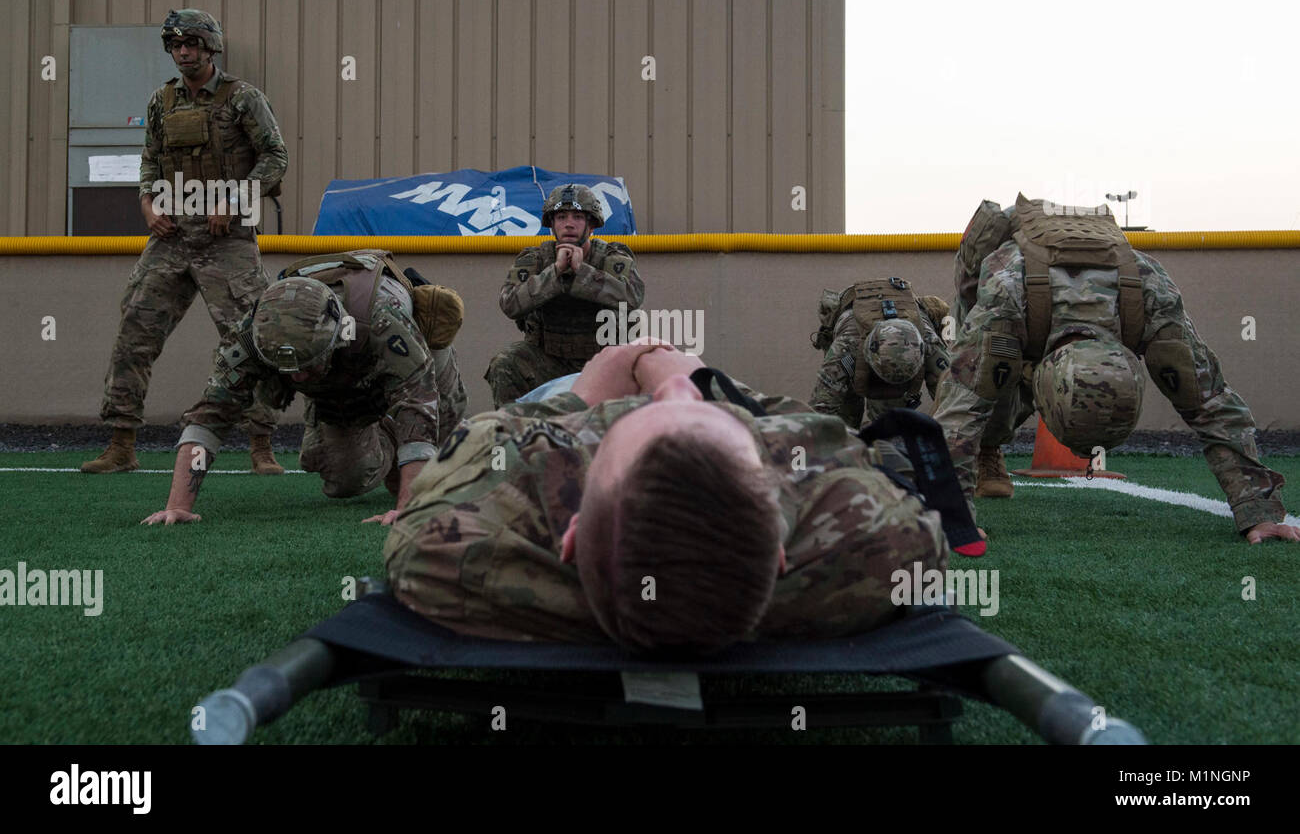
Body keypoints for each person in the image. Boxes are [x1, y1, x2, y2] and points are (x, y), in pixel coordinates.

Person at [385, 342, 949, 652]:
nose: (672, 392)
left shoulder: (437, 554)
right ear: (779, 550)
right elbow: (830, 439)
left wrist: (584, 399)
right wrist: (714, 390)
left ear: (573, 536)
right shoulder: (888, 550)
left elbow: (468, 456)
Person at [931, 194, 1295, 544]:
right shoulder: (1006, 292)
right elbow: (960, 408)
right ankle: (990, 448)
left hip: (1095, 264)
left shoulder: (1152, 294)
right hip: (1003, 248)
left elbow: (1211, 401)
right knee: (992, 376)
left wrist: (1260, 511)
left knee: (994, 370)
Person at [82, 9, 288, 476]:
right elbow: (150, 159)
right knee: (135, 331)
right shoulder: (162, 100)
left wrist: (234, 201)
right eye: (175, 45)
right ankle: (121, 444)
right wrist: (148, 207)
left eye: (191, 43)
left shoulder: (243, 98)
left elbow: (276, 156)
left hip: (227, 239)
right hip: (172, 236)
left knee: (253, 338)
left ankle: (261, 445)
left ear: (210, 46)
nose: (183, 52)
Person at [140, 250, 468, 527]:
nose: (297, 379)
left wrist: (409, 507)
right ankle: (381, 439)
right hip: (343, 381)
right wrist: (178, 505)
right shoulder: (253, 336)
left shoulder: (383, 320)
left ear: (338, 336)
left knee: (443, 416)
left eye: (308, 366)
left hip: (411, 353)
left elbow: (418, 405)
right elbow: (210, 416)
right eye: (288, 371)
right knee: (344, 481)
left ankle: (413, 466)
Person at [484, 184, 644, 406]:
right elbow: (509, 304)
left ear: (592, 224)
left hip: (601, 360)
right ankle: (512, 434)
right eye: (561, 217)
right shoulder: (536, 259)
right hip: (547, 359)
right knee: (505, 362)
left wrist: (583, 272)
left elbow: (632, 296)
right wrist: (555, 272)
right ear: (552, 224)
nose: (568, 223)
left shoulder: (610, 258)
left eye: (578, 217)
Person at [809, 278, 952, 430]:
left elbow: (953, 399)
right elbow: (821, 408)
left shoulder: (929, 342)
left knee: (891, 423)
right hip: (853, 331)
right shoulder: (846, 347)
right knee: (844, 417)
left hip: (904, 331)